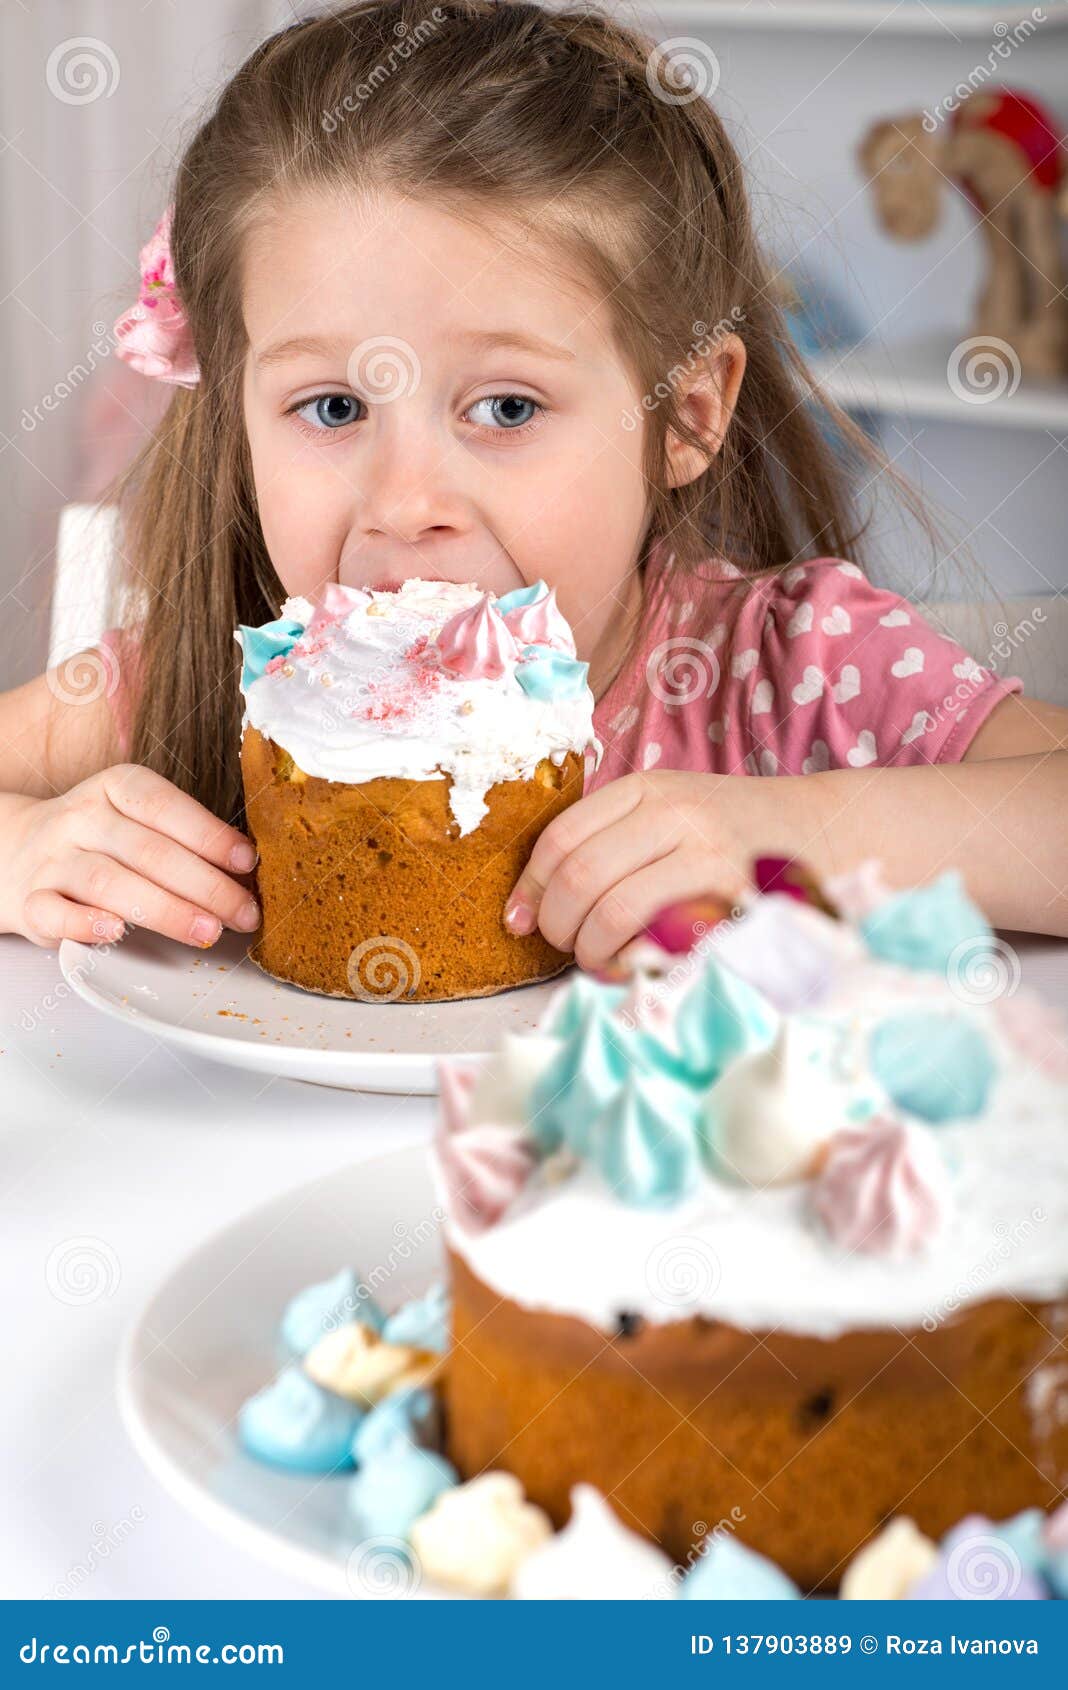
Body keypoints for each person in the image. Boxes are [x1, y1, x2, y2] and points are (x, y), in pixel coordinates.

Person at [1, 1, 1064, 971]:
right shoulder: (189, 684)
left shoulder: (788, 675)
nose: (407, 501)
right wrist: (25, 849)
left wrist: (803, 834)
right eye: (331, 408)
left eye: (506, 409)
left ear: (685, 416)